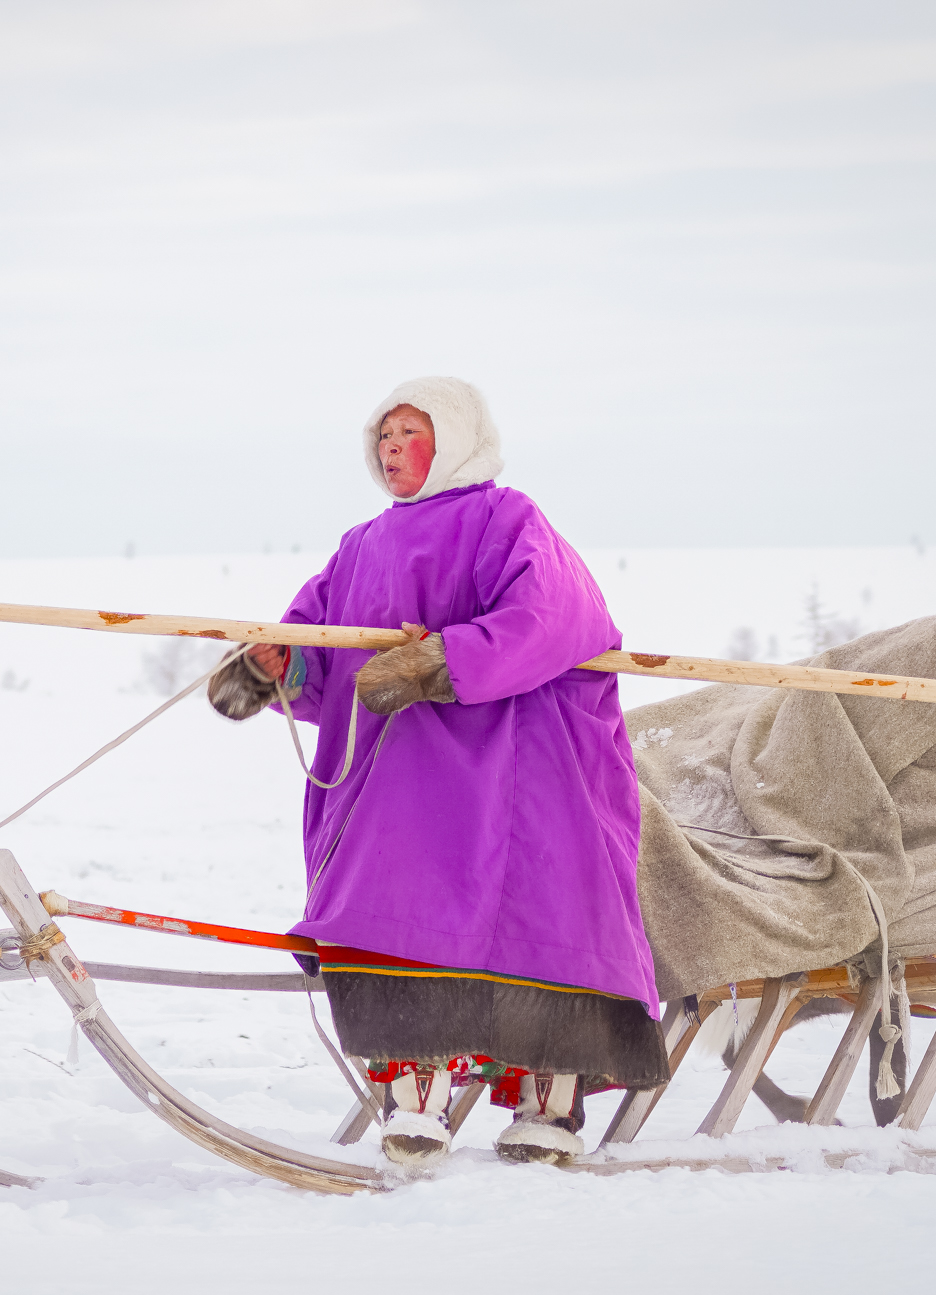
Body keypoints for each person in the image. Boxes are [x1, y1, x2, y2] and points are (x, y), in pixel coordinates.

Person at [208, 376, 665, 1167]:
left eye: (409, 433)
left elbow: (554, 617)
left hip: (525, 760)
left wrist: (442, 660)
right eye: (382, 437)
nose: (390, 450)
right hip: (404, 774)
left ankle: (547, 1102)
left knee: (546, 910)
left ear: (453, 439)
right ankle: (411, 1093)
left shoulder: (509, 518)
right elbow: (321, 646)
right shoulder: (361, 545)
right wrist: (277, 663)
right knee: (389, 902)